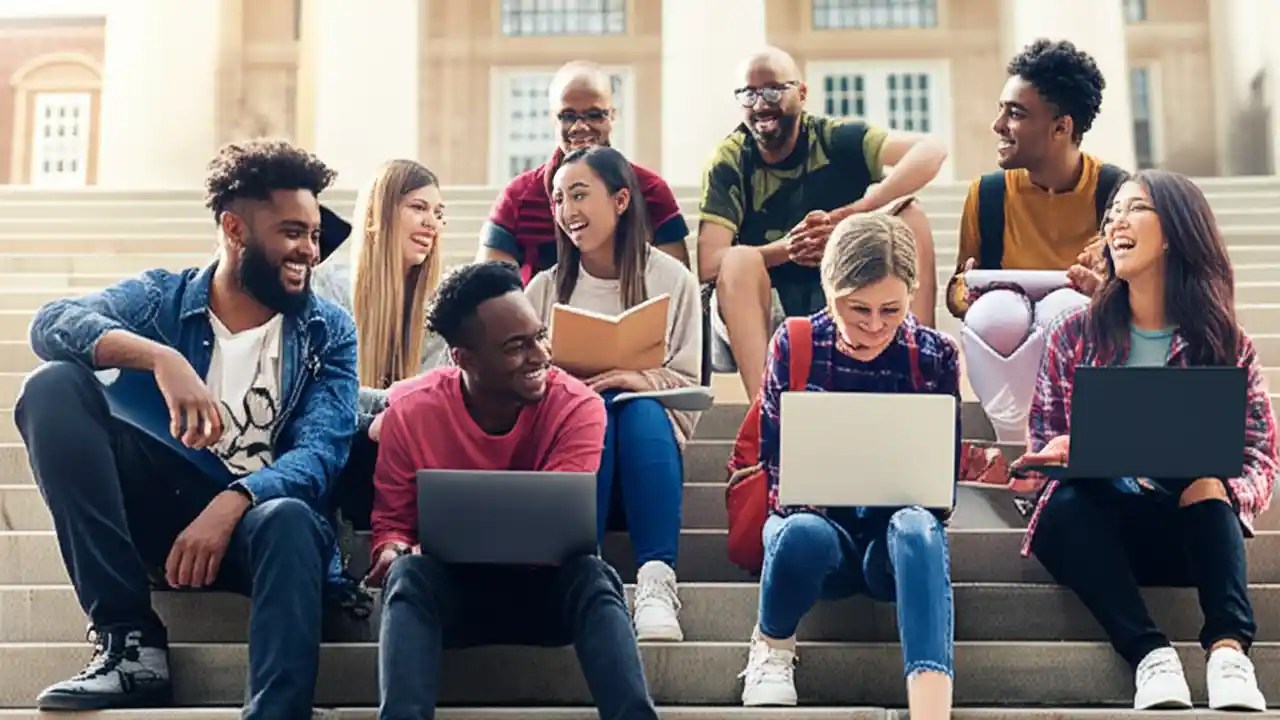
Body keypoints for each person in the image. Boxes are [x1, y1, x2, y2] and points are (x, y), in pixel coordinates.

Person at [14, 139, 358, 717]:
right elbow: (51, 322)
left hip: (263, 529)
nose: (310, 250)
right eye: (292, 232)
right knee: (52, 387)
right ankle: (130, 646)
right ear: (235, 228)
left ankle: (278, 711)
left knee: (293, 517)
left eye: (315, 234)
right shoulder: (161, 300)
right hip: (162, 509)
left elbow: (323, 451)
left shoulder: (328, 331)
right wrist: (159, 358)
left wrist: (235, 500)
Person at [1017, 171, 1274, 711]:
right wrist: (1064, 450)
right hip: (1100, 540)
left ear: (1175, 232)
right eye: (1113, 211)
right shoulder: (1073, 335)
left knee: (1205, 479)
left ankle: (1229, 653)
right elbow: (1040, 452)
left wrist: (1222, 487)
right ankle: (1152, 656)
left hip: (1189, 536)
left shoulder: (1225, 344)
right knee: (1062, 504)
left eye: (1135, 209)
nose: (1116, 221)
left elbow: (1259, 458)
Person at [364, 261, 660, 720]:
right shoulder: (411, 415)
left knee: (594, 575)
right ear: (463, 358)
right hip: (454, 597)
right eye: (516, 347)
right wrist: (391, 549)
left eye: (540, 336)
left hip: (545, 592)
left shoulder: (577, 407)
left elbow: (559, 522)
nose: (540, 355)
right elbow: (392, 521)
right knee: (407, 578)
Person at [737, 212, 959, 719]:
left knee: (919, 527)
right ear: (829, 287)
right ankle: (772, 646)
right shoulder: (795, 344)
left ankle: (931, 707)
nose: (876, 325)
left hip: (894, 548)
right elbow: (775, 474)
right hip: (815, 537)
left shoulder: (935, 355)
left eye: (892, 308)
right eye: (858, 307)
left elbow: (940, 488)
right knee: (804, 533)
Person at [697, 45, 947, 402]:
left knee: (910, 214)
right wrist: (789, 248)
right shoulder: (730, 159)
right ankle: (765, 413)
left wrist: (855, 215)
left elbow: (932, 149)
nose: (761, 104)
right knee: (737, 259)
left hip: (852, 295)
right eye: (749, 94)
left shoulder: (834, 138)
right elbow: (709, 262)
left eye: (773, 90)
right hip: (768, 305)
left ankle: (919, 374)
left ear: (801, 92)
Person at [525, 145, 702, 642]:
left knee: (637, 407)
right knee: (596, 406)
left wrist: (640, 379)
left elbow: (690, 385)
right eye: (558, 199)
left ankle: (655, 582)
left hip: (651, 462)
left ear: (621, 199)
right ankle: (584, 578)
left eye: (579, 195)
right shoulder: (543, 289)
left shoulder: (672, 281)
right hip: (576, 461)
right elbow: (518, 384)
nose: (567, 212)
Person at [948, 39, 1128, 446]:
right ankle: (1015, 444)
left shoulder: (1117, 194)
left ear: (1061, 127)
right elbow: (958, 294)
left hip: (1086, 354)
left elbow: (1146, 300)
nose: (998, 125)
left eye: (1015, 114)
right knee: (996, 312)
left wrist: (1105, 285)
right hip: (1002, 347)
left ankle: (1063, 441)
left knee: (1065, 311)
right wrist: (967, 291)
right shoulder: (988, 195)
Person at [313, 158, 450, 530]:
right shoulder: (326, 288)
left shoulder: (439, 306)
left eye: (438, 213)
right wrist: (376, 418)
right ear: (379, 213)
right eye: (418, 208)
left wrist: (397, 417)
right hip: (347, 444)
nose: (431, 223)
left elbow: (438, 394)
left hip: (410, 447)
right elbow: (319, 391)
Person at [478, 60, 690, 283]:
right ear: (553, 118)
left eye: (594, 115)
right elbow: (489, 289)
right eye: (567, 116)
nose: (580, 127)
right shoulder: (519, 196)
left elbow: (674, 287)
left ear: (613, 116)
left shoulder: (651, 190)